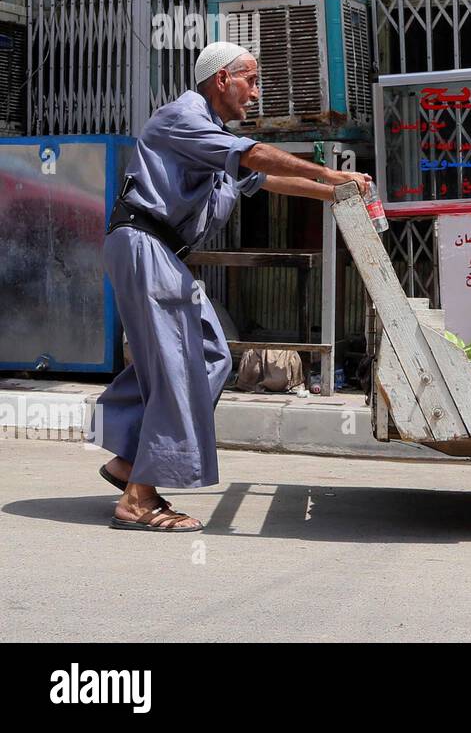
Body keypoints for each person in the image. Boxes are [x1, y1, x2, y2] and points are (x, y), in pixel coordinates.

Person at [94, 41, 373, 532]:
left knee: (210, 356)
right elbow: (255, 154)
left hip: (160, 254)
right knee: (182, 363)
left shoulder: (212, 134)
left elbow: (260, 177)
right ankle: (138, 498)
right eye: (251, 80)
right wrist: (329, 169)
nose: (256, 93)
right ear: (222, 78)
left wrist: (332, 192)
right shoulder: (182, 117)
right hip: (143, 244)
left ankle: (127, 460)